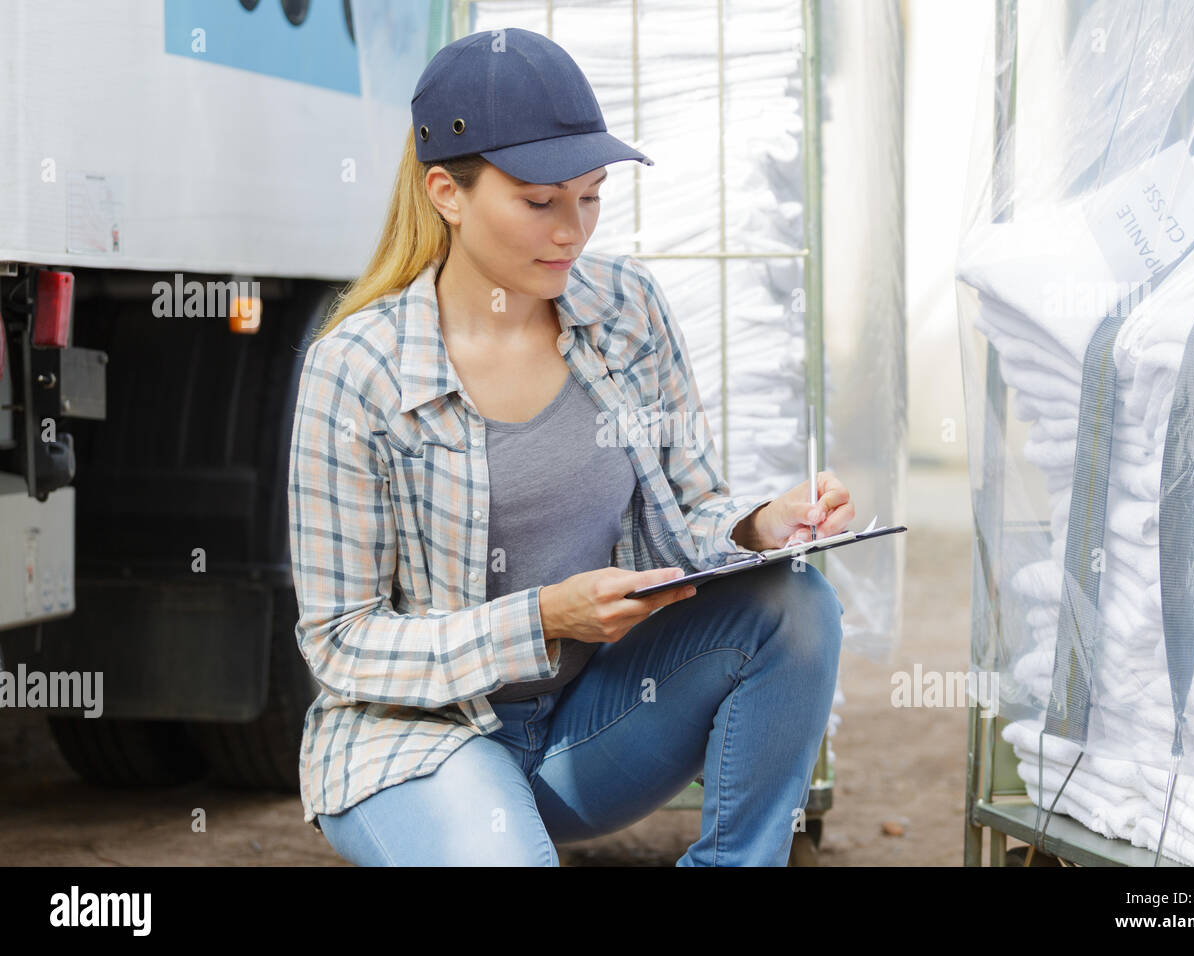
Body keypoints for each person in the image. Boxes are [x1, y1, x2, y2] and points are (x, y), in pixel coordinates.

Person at [287, 27, 854, 866]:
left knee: (796, 605)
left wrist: (762, 525)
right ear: (446, 191)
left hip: (584, 734)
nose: (573, 231)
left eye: (589, 196)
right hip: (416, 744)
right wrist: (541, 619)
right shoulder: (357, 370)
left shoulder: (626, 309)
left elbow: (690, 503)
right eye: (539, 202)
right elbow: (341, 640)